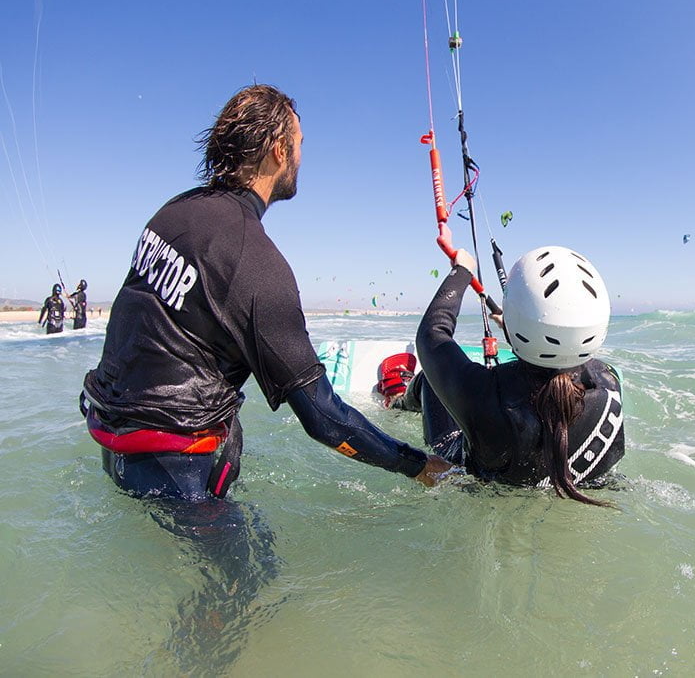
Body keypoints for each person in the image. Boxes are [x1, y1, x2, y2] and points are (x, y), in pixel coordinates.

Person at [81, 84, 452, 501]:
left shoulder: (174, 212)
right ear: (279, 150)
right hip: (178, 476)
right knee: (258, 568)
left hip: (112, 443)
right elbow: (324, 418)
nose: (300, 157)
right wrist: (418, 465)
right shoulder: (254, 263)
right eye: (299, 144)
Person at [391, 238, 625, 505]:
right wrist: (516, 330)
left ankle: (397, 398)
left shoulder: (481, 391)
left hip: (473, 480)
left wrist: (462, 271)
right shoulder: (609, 381)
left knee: (429, 382)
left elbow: (431, 335)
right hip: (580, 484)